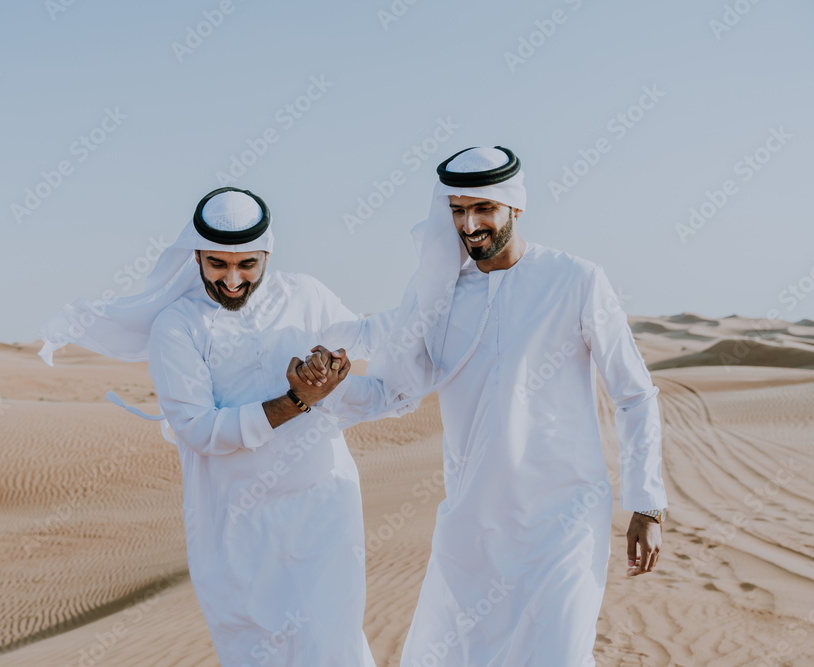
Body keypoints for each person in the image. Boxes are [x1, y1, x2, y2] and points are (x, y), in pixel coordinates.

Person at [312, 146, 668, 666]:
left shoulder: (576, 281)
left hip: (563, 522)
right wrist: (331, 386)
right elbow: (394, 390)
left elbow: (634, 393)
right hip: (473, 529)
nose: (469, 224)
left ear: (515, 208)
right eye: (457, 211)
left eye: (483, 209)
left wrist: (647, 501)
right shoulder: (439, 295)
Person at [37, 187, 384, 666]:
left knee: (335, 649)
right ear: (196, 255)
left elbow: (365, 340)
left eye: (248, 265)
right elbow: (200, 430)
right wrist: (297, 400)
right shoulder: (177, 328)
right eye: (218, 265)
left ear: (267, 255)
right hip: (238, 527)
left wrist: (334, 367)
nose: (234, 280)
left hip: (324, 510)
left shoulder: (306, 295)